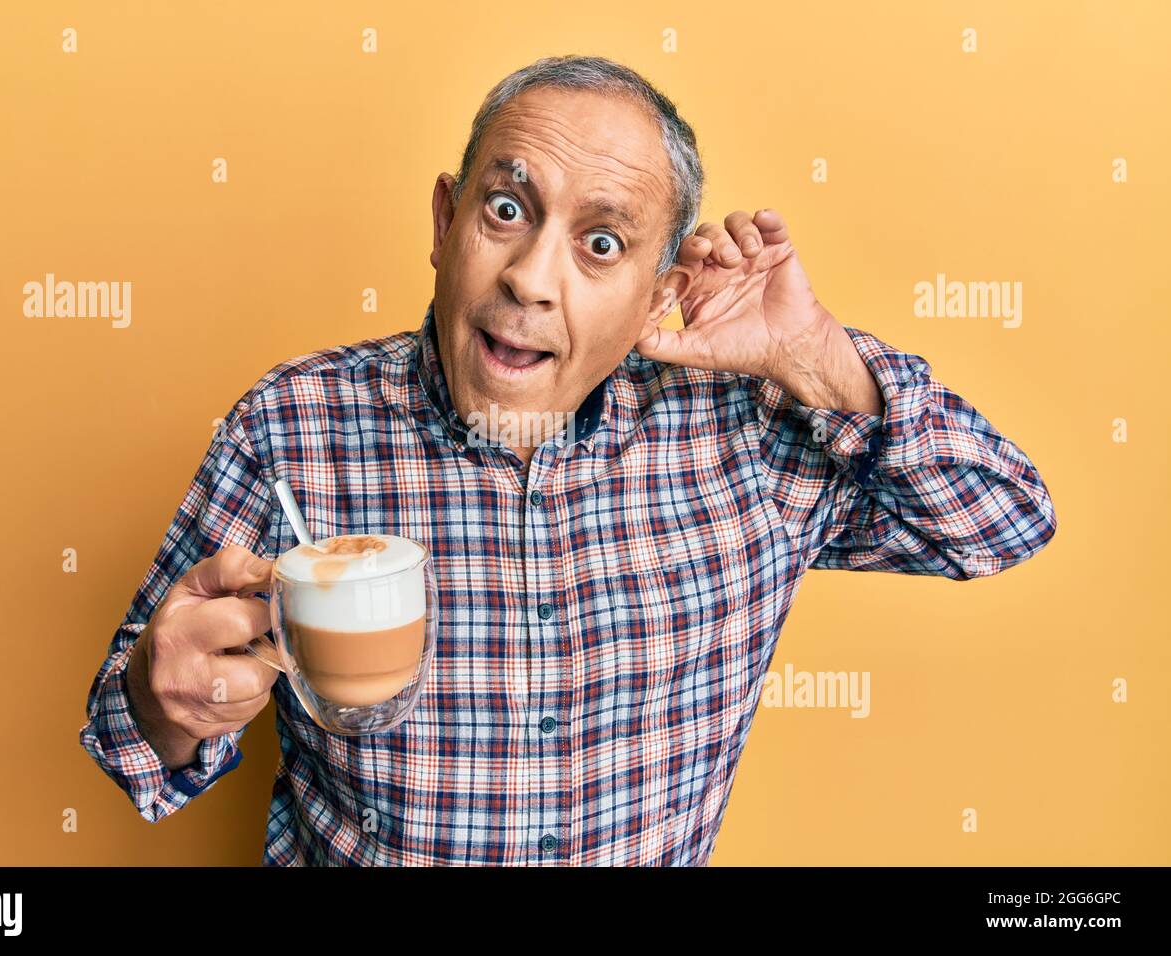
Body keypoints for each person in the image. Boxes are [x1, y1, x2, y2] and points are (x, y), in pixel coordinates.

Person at [79, 54, 1056, 865]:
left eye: (599, 242)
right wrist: (163, 703)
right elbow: (134, 748)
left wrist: (819, 362)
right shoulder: (291, 429)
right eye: (506, 210)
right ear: (443, 222)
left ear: (657, 291)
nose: (530, 278)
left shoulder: (749, 440)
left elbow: (1001, 522)